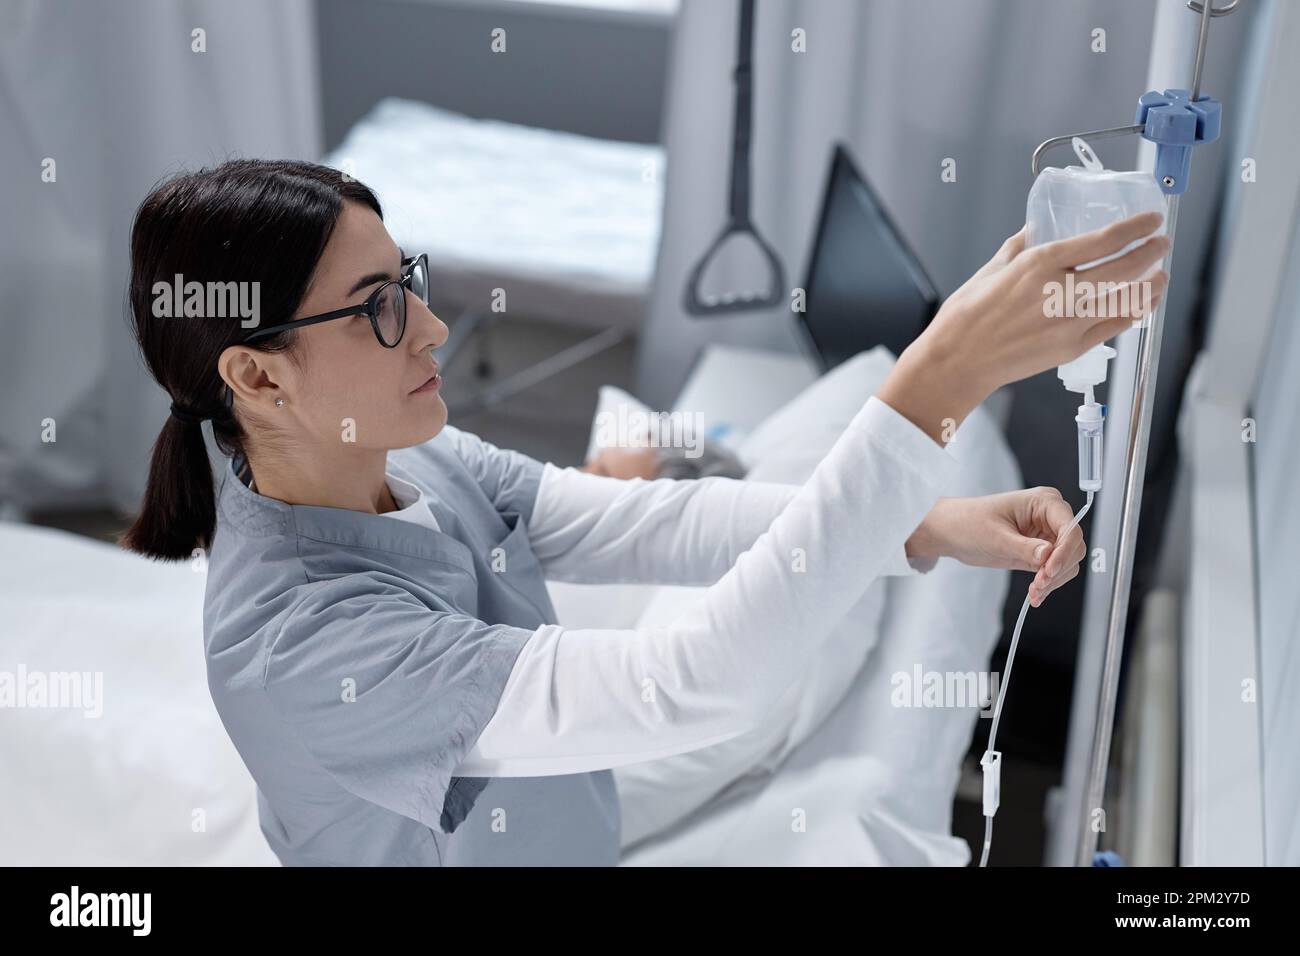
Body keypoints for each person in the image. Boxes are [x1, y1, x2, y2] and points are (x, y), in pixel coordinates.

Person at [120, 159, 1168, 866]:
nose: (433, 328)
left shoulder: (401, 452)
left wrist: (925, 526)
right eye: (380, 308)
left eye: (410, 280)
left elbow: (640, 523)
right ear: (257, 377)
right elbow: (691, 687)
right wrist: (934, 382)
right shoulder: (304, 648)